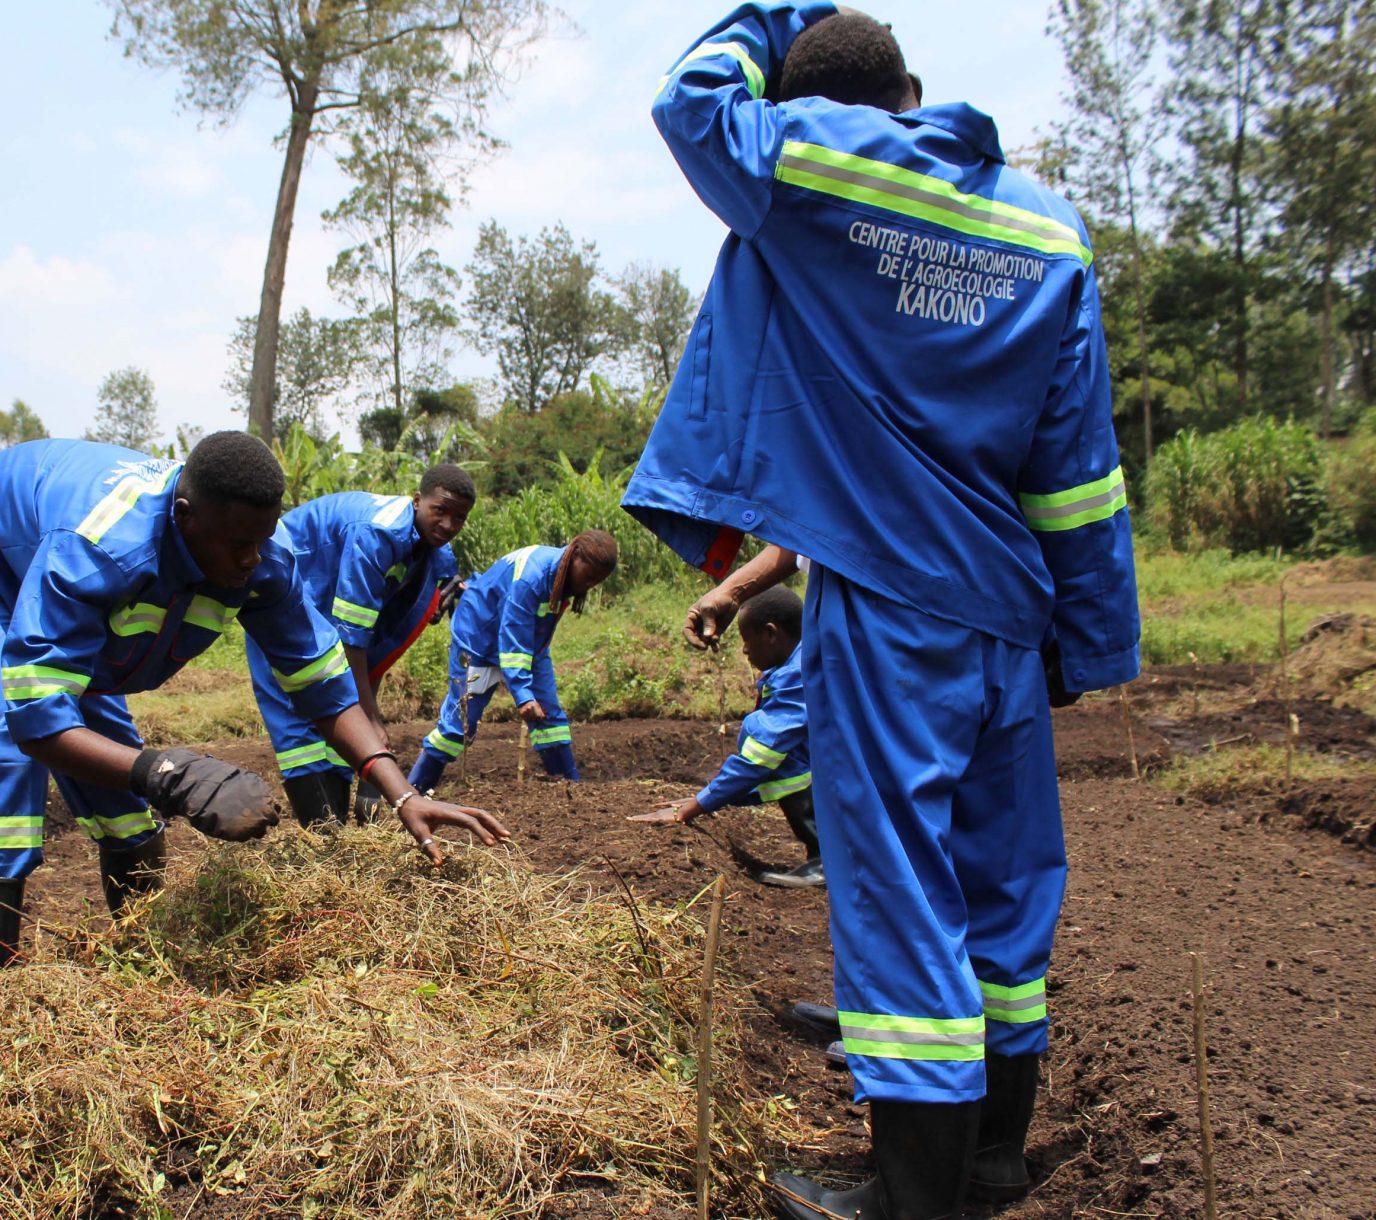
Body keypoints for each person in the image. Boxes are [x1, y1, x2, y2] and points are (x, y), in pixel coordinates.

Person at [624, 6, 1140, 1218]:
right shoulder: (1045, 225)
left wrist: (776, 14)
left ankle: (911, 1193)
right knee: (1006, 880)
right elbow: (1075, 472)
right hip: (1009, 607)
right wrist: (1084, 636)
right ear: (909, 92)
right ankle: (995, 1155)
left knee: (899, 887)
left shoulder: (812, 163)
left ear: (826, 102)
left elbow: (691, 105)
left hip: (891, 597)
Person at [0, 433, 511, 996]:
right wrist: (169, 774)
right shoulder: (104, 548)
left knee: (118, 780)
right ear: (184, 517)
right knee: (11, 746)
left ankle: (139, 962)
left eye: (261, 542)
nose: (251, 559)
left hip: (65, 577)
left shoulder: (262, 558)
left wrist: (404, 793)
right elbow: (37, 719)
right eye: (237, 546)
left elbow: (325, 688)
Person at [246, 466, 476, 827]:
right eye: (440, 510)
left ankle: (339, 840)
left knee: (341, 724)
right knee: (298, 719)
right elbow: (353, 637)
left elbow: (372, 640)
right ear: (417, 501)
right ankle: (326, 840)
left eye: (459, 518)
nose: (448, 524)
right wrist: (369, 716)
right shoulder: (377, 533)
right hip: (282, 594)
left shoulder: (427, 548)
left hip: (322, 604)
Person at [629, 585, 822, 889]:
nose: (745, 651)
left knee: (781, 757)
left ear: (771, 633)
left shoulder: (797, 675)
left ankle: (825, 858)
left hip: (846, 775)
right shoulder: (800, 662)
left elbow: (759, 760)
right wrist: (712, 796)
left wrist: (696, 806)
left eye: (747, 641)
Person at [404, 532, 619, 793]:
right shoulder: (533, 577)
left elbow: (521, 637)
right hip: (479, 642)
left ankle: (572, 788)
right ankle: (412, 793)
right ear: (574, 556)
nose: (590, 585)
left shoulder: (563, 576)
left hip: (529, 647)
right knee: (460, 725)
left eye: (598, 580)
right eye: (589, 576)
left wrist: (531, 692)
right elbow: (512, 636)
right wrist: (524, 696)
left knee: (550, 716)